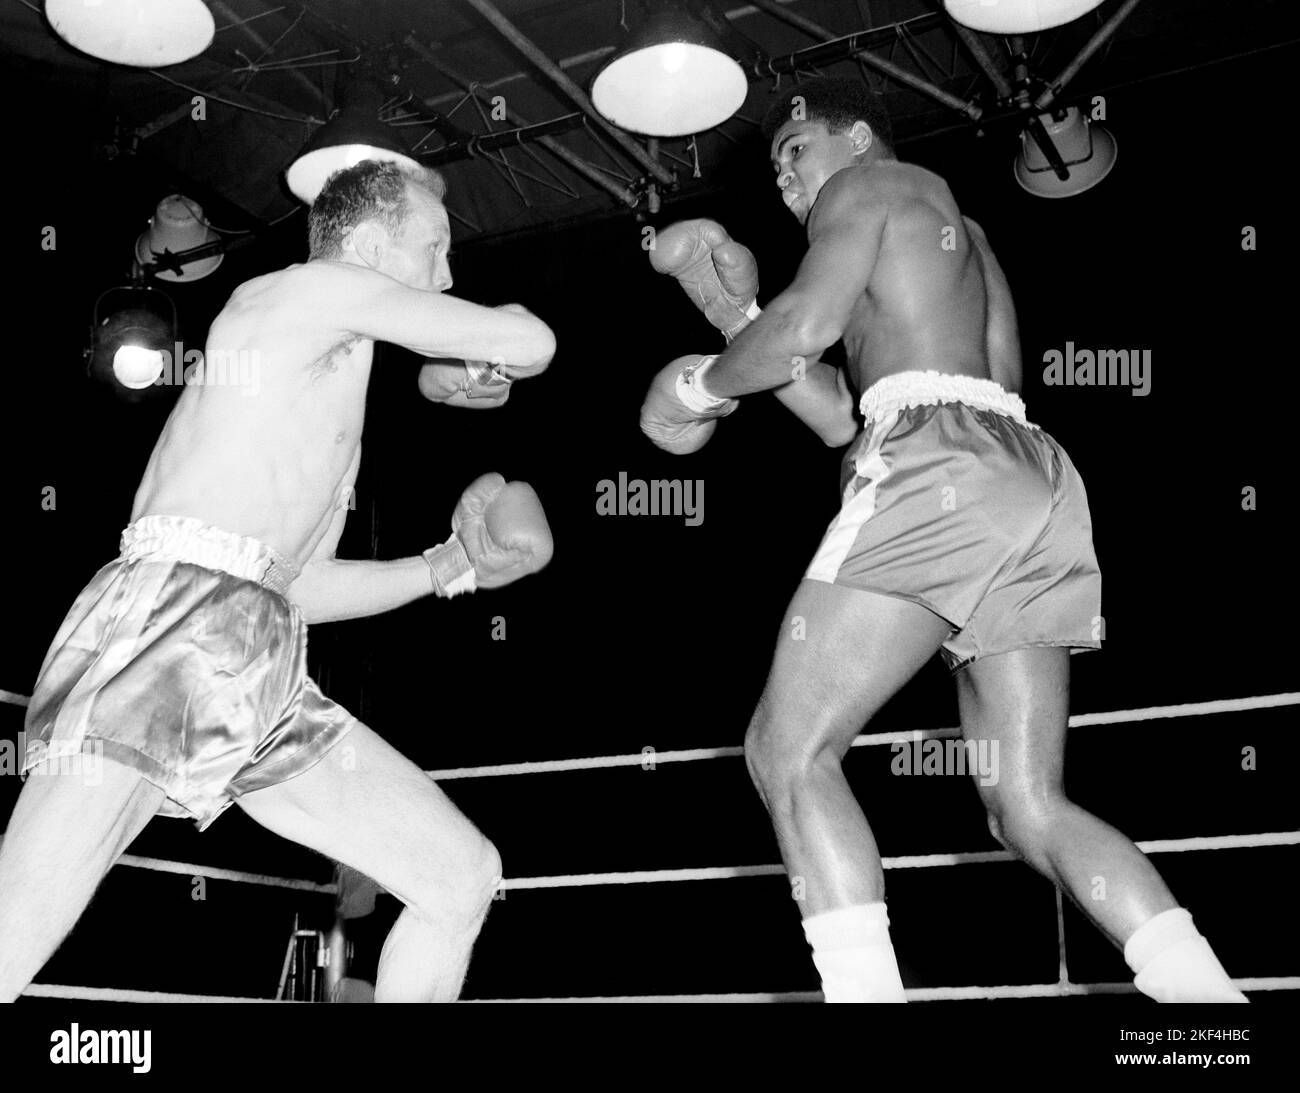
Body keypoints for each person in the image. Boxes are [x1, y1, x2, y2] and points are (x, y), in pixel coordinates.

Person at [642, 77, 1245, 1003]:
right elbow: (844, 412)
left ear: (856, 137)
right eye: (774, 170)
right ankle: (1213, 1016)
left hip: (938, 467)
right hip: (1030, 481)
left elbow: (806, 327)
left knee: (787, 752)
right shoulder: (961, 236)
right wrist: (735, 324)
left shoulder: (868, 187)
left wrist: (696, 390)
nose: (786, 181)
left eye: (795, 152)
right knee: (1027, 805)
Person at [0, 159, 556, 1003]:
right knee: (17, 920)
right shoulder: (296, 295)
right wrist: (488, 350)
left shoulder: (331, 382)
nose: (447, 276)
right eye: (435, 249)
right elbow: (534, 339)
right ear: (367, 245)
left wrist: (446, 568)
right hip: (174, 621)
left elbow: (293, 589)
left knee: (459, 876)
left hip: (257, 655)